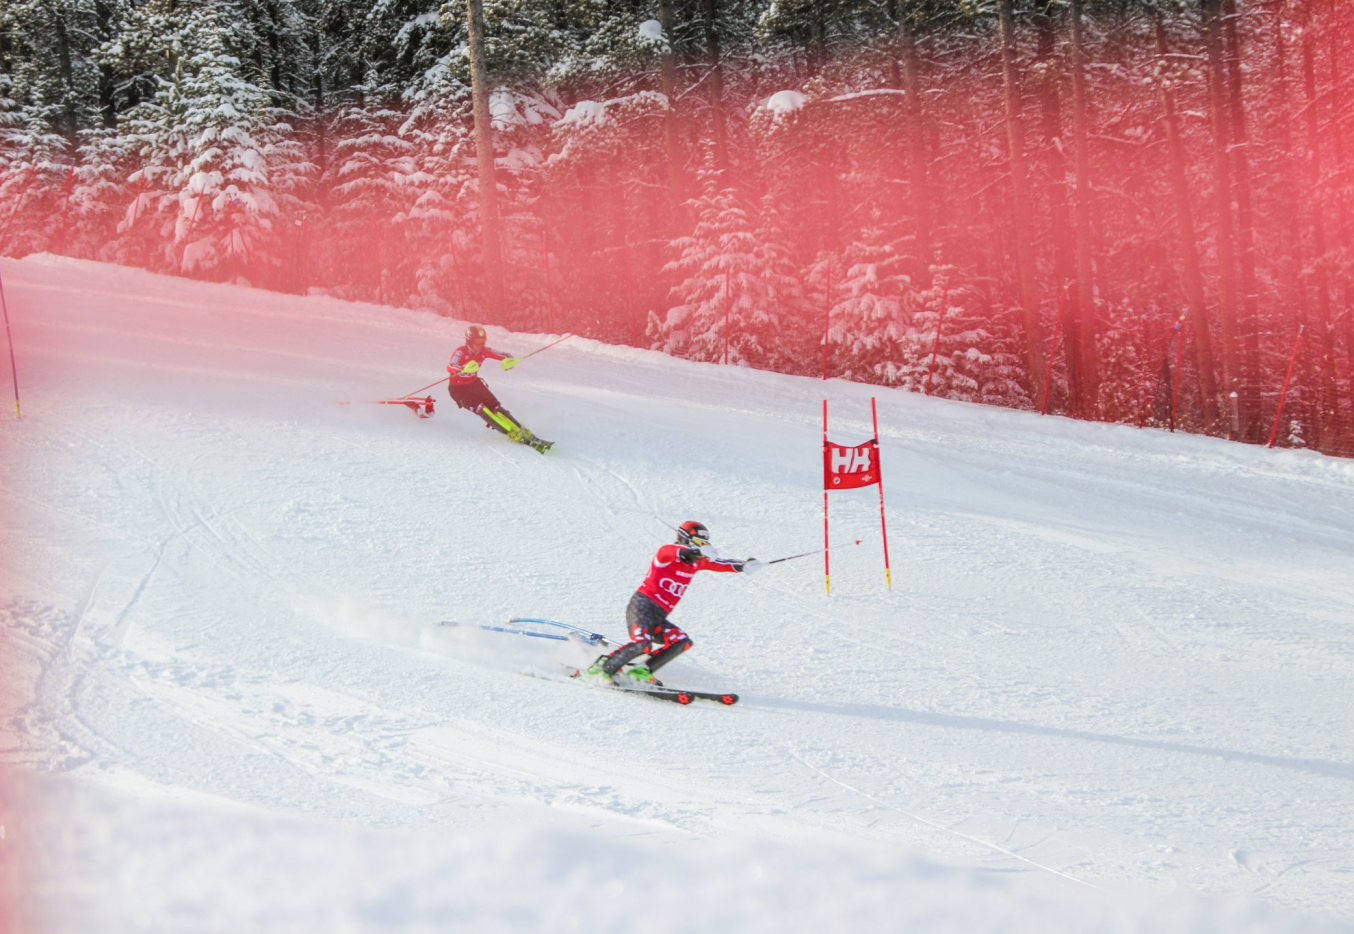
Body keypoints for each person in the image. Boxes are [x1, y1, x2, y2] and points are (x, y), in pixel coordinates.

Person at [585, 521, 761, 684]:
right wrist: (696, 552)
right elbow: (671, 551)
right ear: (687, 540)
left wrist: (744, 565)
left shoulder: (696, 564)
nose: (704, 547)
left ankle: (641, 671)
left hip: (659, 615)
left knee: (682, 640)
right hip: (642, 606)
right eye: (700, 542)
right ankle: (601, 669)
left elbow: (722, 564)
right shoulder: (667, 556)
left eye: (706, 543)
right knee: (642, 644)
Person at [447, 325, 551, 452]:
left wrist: (509, 361)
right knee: (482, 408)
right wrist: (462, 369)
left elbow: (503, 355)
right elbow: (451, 365)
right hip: (458, 389)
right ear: (469, 341)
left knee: (494, 405)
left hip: (474, 384)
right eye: (477, 342)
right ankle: (510, 432)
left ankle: (521, 429)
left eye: (483, 342)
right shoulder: (460, 352)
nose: (480, 345)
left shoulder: (483, 351)